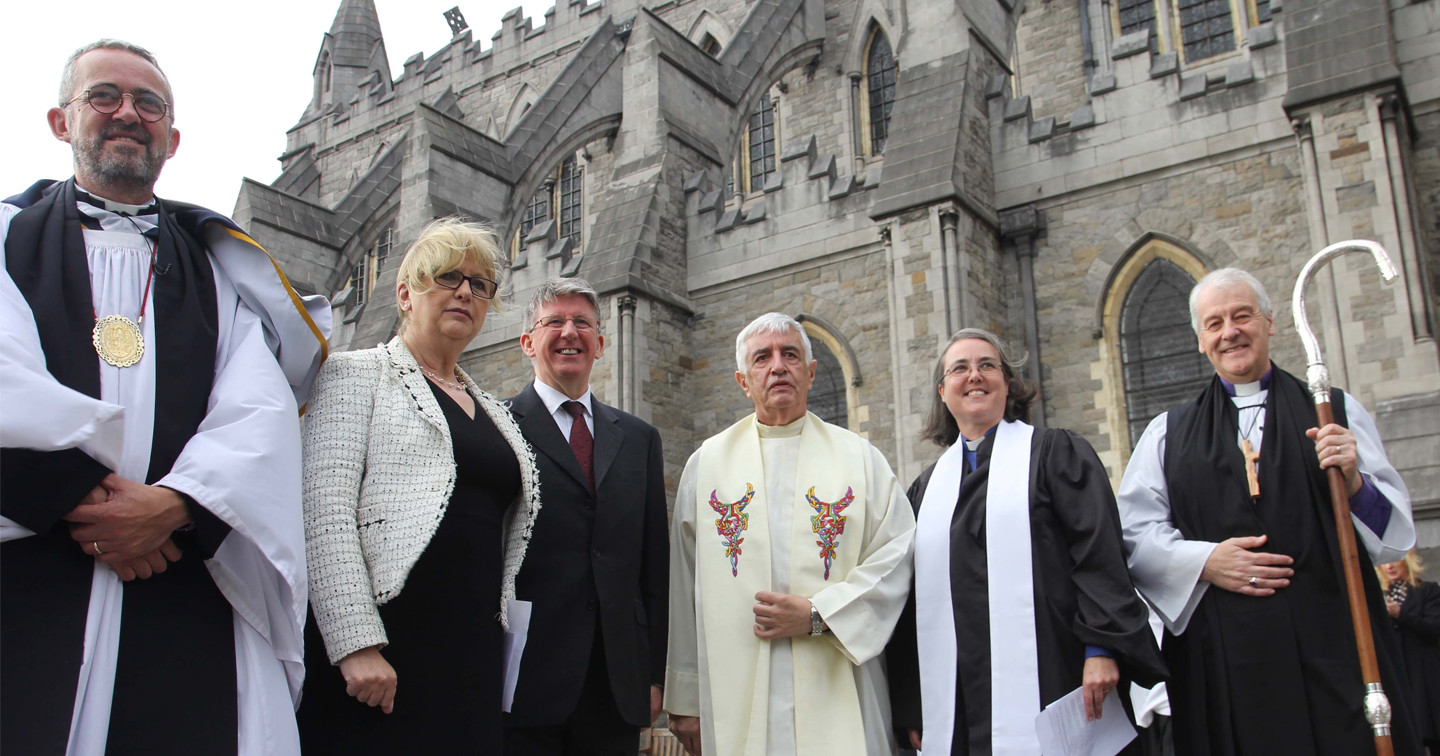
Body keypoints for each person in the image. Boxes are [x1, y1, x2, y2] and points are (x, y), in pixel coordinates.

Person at [0, 39, 329, 755]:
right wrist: (83, 500)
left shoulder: (222, 270)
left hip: (183, 569)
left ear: (172, 139)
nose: (128, 114)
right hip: (29, 558)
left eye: (148, 104)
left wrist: (178, 505)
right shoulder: (4, 239)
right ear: (62, 121)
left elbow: (260, 412)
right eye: (105, 97)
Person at [1116, 267, 1420, 754]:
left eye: (1242, 316)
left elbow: (1393, 538)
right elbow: (1132, 536)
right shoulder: (1167, 433)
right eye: (1214, 324)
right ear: (1200, 340)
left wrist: (1355, 480)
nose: (1230, 331)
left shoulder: (1333, 412)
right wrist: (1204, 561)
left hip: (1337, 645)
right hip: (1225, 658)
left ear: (1270, 323)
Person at [296, 218, 542, 752]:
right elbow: (323, 513)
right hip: (386, 651)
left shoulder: (493, 410)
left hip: (471, 651)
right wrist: (355, 644)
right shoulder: (354, 374)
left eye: (480, 285)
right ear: (406, 294)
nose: (465, 292)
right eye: (448, 277)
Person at [886, 328, 1165, 755]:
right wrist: (914, 704)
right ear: (943, 392)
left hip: (1057, 670)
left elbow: (1098, 552)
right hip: (960, 695)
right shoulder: (926, 491)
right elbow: (910, 601)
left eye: (987, 366)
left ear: (1007, 383)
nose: (974, 375)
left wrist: (1102, 646)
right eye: (960, 368)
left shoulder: (1056, 455)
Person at [665, 312, 916, 756]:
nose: (778, 366)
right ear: (743, 380)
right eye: (762, 357)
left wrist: (820, 614)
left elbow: (895, 555)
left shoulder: (861, 459)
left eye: (790, 355)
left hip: (838, 674)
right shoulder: (706, 467)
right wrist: (685, 698)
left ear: (811, 372)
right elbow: (684, 584)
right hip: (735, 682)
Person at [503, 278, 669, 754]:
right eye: (554, 321)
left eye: (582, 323)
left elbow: (652, 567)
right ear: (528, 342)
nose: (569, 332)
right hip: (526, 680)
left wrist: (653, 675)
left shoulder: (639, 438)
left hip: (616, 683)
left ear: (601, 342)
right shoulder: (499, 425)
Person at [1379, 550, 1440, 751]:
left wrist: (1401, 614)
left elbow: (1433, 629)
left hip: (1425, 678)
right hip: (1398, 678)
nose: (1390, 566)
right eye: (1384, 563)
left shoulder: (1427, 591)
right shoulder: (1378, 598)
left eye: (1393, 561)